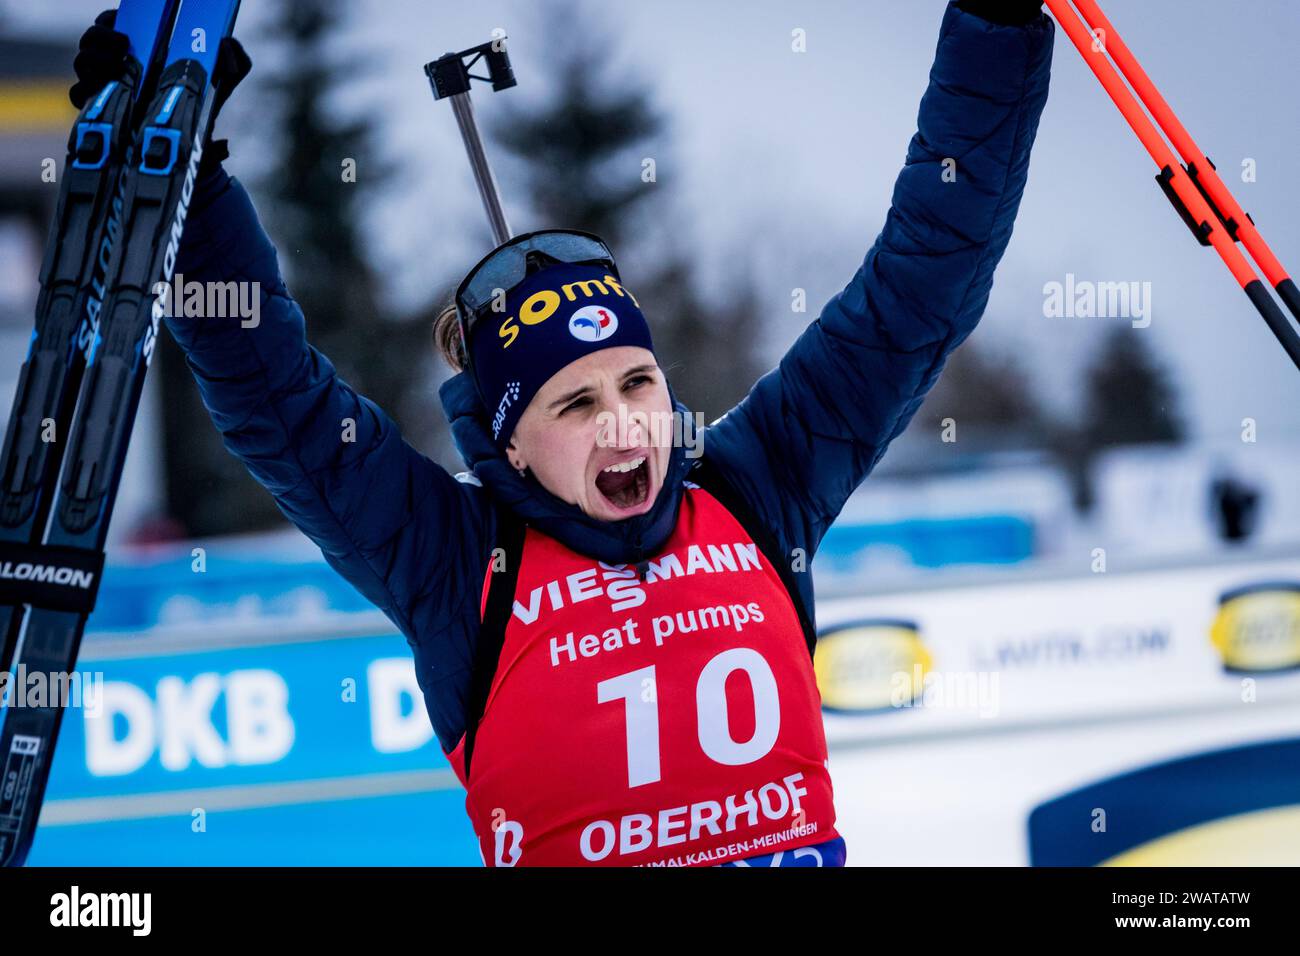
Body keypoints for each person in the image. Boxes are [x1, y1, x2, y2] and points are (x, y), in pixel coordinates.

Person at [72, 0, 1053, 866]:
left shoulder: (755, 488)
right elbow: (273, 396)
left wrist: (994, 33)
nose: (624, 422)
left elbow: (916, 290)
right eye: (574, 405)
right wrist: (188, 191)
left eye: (637, 382)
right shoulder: (456, 562)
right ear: (509, 445)